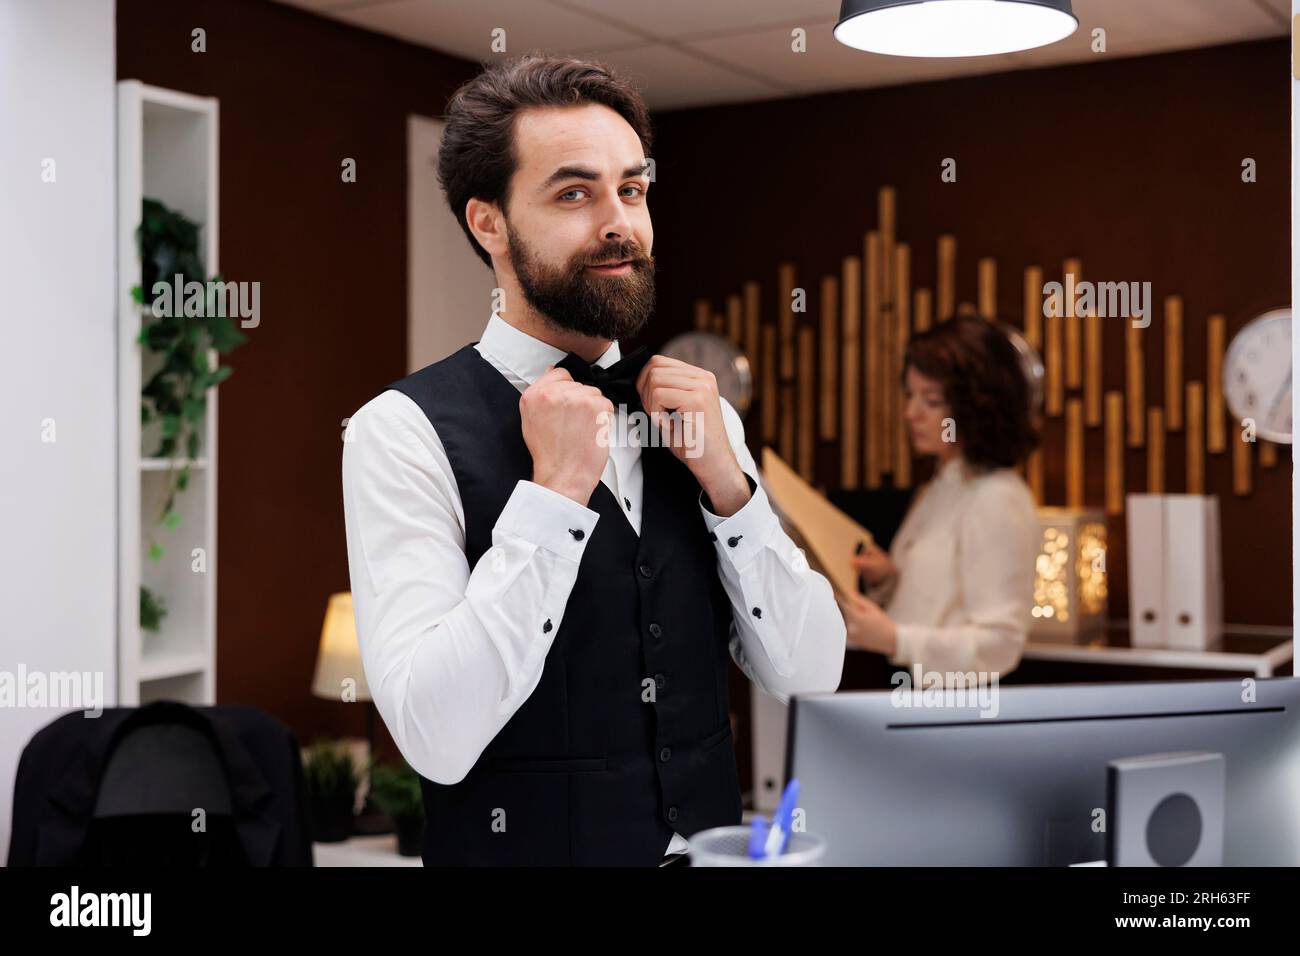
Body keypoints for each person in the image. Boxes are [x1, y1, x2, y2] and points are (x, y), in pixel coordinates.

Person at [341, 55, 845, 866]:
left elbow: (812, 677)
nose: (620, 222)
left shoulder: (699, 416)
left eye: (632, 190)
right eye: (574, 193)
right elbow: (435, 738)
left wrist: (729, 486)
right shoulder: (398, 432)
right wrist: (554, 496)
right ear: (489, 223)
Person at [836, 315, 1039, 683]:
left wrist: (898, 640)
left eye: (931, 400)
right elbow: (936, 604)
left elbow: (1000, 643)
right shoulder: (938, 488)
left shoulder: (998, 497)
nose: (911, 413)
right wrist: (889, 579)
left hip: (955, 711)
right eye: (910, 395)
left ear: (976, 406)